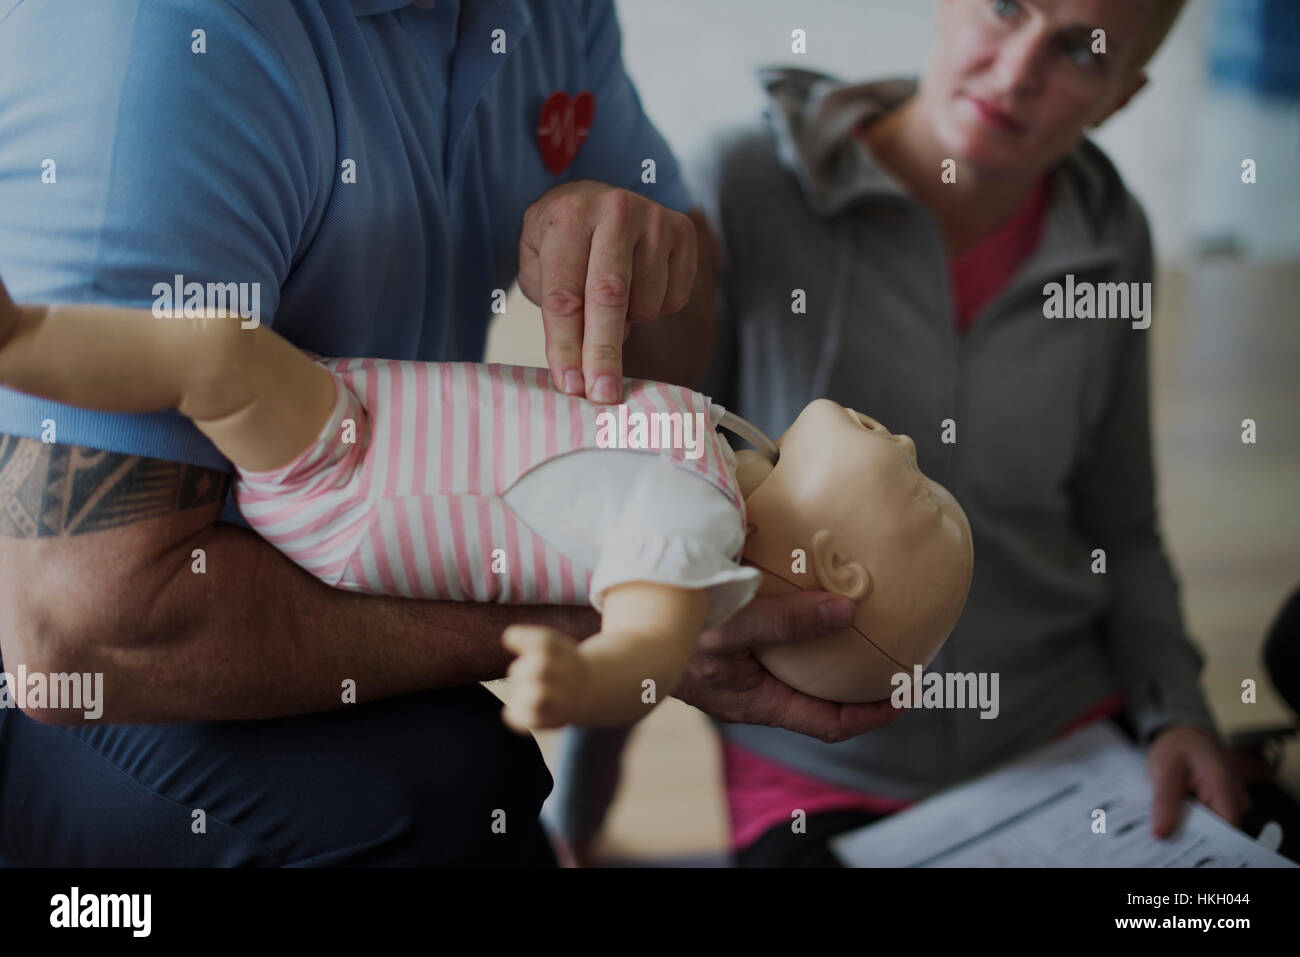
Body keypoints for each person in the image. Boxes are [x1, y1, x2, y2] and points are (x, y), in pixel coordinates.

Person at [0, 0, 895, 867]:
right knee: (215, 354)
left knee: (465, 775)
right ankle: (24, 339)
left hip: (333, 491)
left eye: (916, 497)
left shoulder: (695, 528)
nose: (908, 444)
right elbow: (72, 632)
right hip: (64, 617)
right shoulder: (162, 38)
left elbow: (652, 643)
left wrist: (639, 255)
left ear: (835, 564)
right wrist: (588, 630)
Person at [551, 0, 1298, 866]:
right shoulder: (744, 185)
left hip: (1063, 733)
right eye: (1007, 8)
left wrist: (1178, 713)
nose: (1016, 72)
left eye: (1079, 52)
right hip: (813, 767)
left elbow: (1122, 526)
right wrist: (579, 812)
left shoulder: (1113, 235)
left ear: (1121, 97)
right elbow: (649, 510)